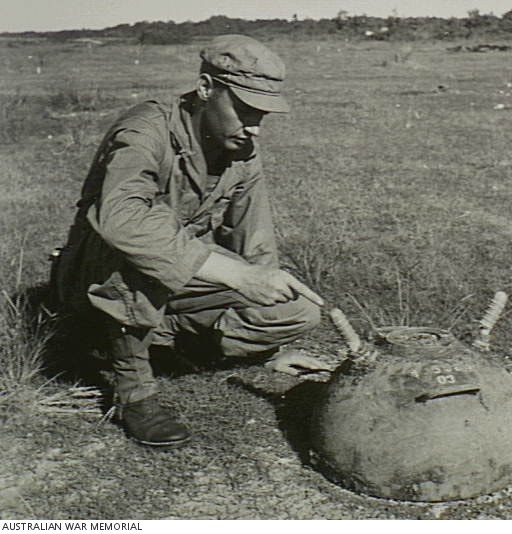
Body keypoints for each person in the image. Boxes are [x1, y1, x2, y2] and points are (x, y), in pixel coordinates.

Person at [50, 34, 332, 450]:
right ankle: (134, 389)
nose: (254, 126)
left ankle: (143, 342)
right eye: (245, 110)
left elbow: (254, 242)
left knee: (297, 310)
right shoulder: (145, 130)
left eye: (263, 114)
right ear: (205, 89)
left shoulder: (242, 150)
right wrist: (234, 274)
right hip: (100, 273)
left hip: (175, 274)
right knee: (145, 244)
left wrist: (268, 346)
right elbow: (121, 221)